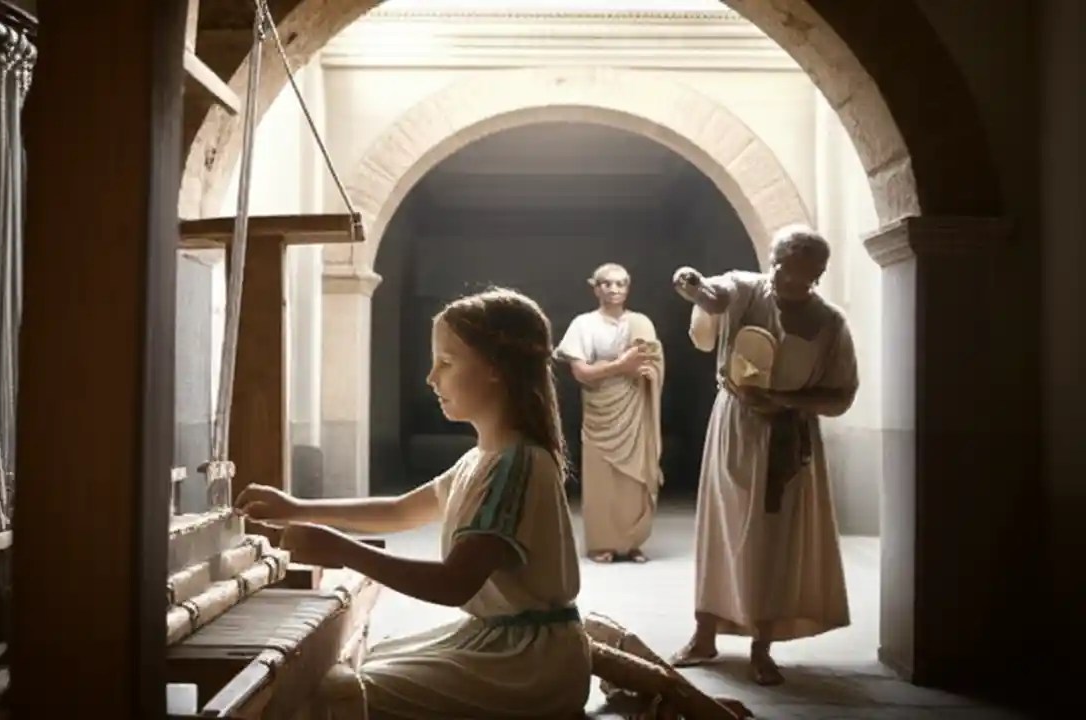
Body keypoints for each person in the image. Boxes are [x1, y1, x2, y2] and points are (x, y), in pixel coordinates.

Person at [235, 287, 591, 719]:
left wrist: (343, 551)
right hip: (499, 642)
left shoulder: (516, 466)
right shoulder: (482, 460)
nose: (431, 378)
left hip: (528, 664)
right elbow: (401, 511)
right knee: (376, 658)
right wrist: (296, 508)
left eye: (446, 362)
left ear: (495, 368)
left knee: (345, 695)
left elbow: (453, 583)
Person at [669, 225, 857, 686]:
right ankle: (705, 632)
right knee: (721, 526)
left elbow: (840, 395)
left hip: (788, 434)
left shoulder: (829, 322)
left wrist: (788, 403)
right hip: (734, 422)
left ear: (817, 273)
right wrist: (692, 284)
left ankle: (762, 644)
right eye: (779, 267)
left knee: (774, 537)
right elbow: (714, 296)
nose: (785, 279)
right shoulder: (747, 288)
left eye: (799, 274)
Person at [556, 263, 664, 564]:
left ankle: (631, 542)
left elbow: (652, 360)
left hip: (634, 404)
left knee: (635, 477)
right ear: (596, 288)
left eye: (620, 284)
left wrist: (646, 371)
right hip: (601, 408)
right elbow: (581, 373)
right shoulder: (583, 324)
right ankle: (602, 543)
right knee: (601, 478)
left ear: (628, 288)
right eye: (607, 284)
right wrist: (621, 366)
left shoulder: (640, 323)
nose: (614, 290)